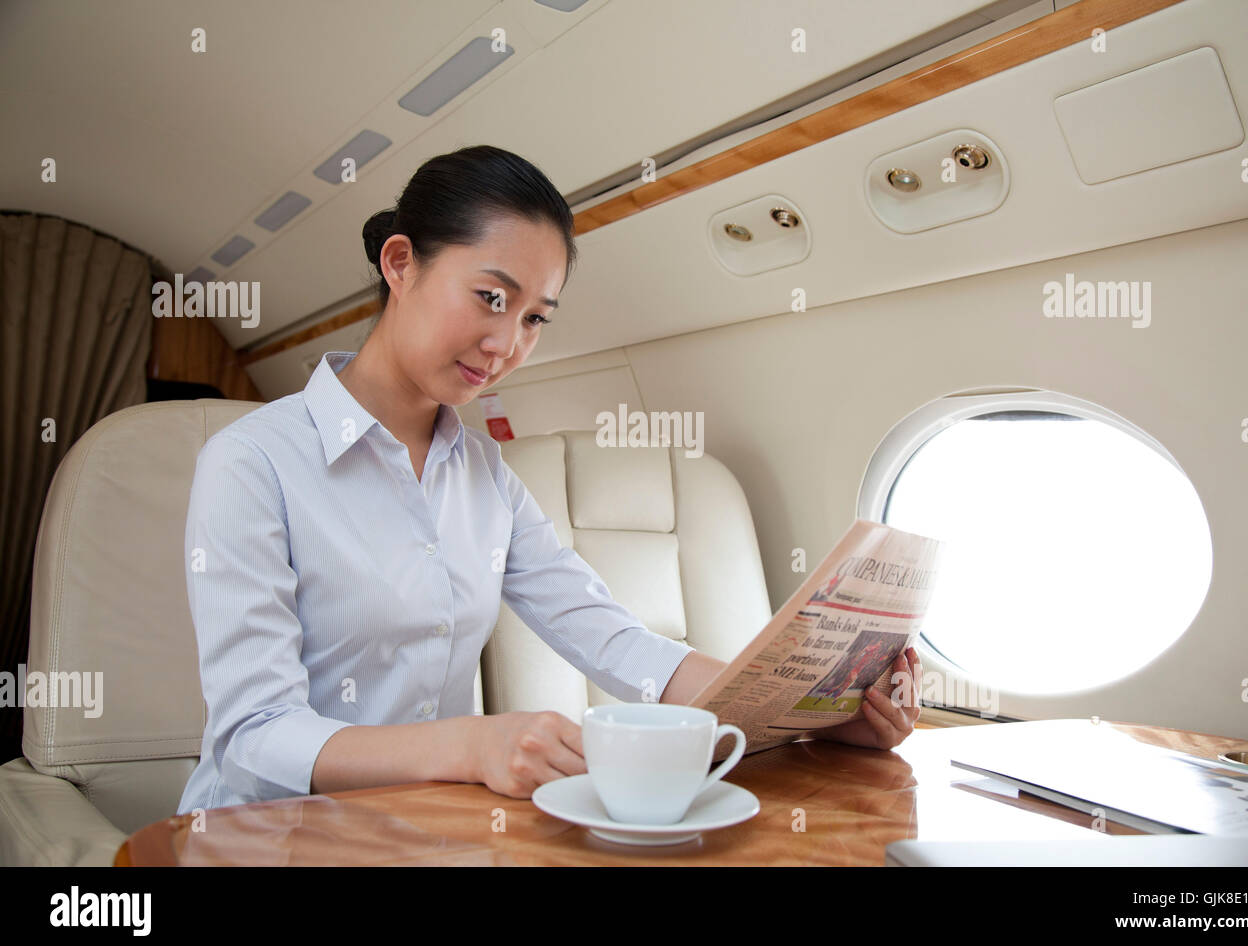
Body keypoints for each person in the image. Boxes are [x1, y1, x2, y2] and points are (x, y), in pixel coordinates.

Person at [176, 145, 922, 814]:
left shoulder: (484, 475)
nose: (505, 344)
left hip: (422, 829)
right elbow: (257, 734)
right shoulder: (253, 464)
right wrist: (471, 747)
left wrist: (816, 713)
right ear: (400, 263)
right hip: (262, 833)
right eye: (491, 298)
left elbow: (616, 642)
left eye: (536, 319)